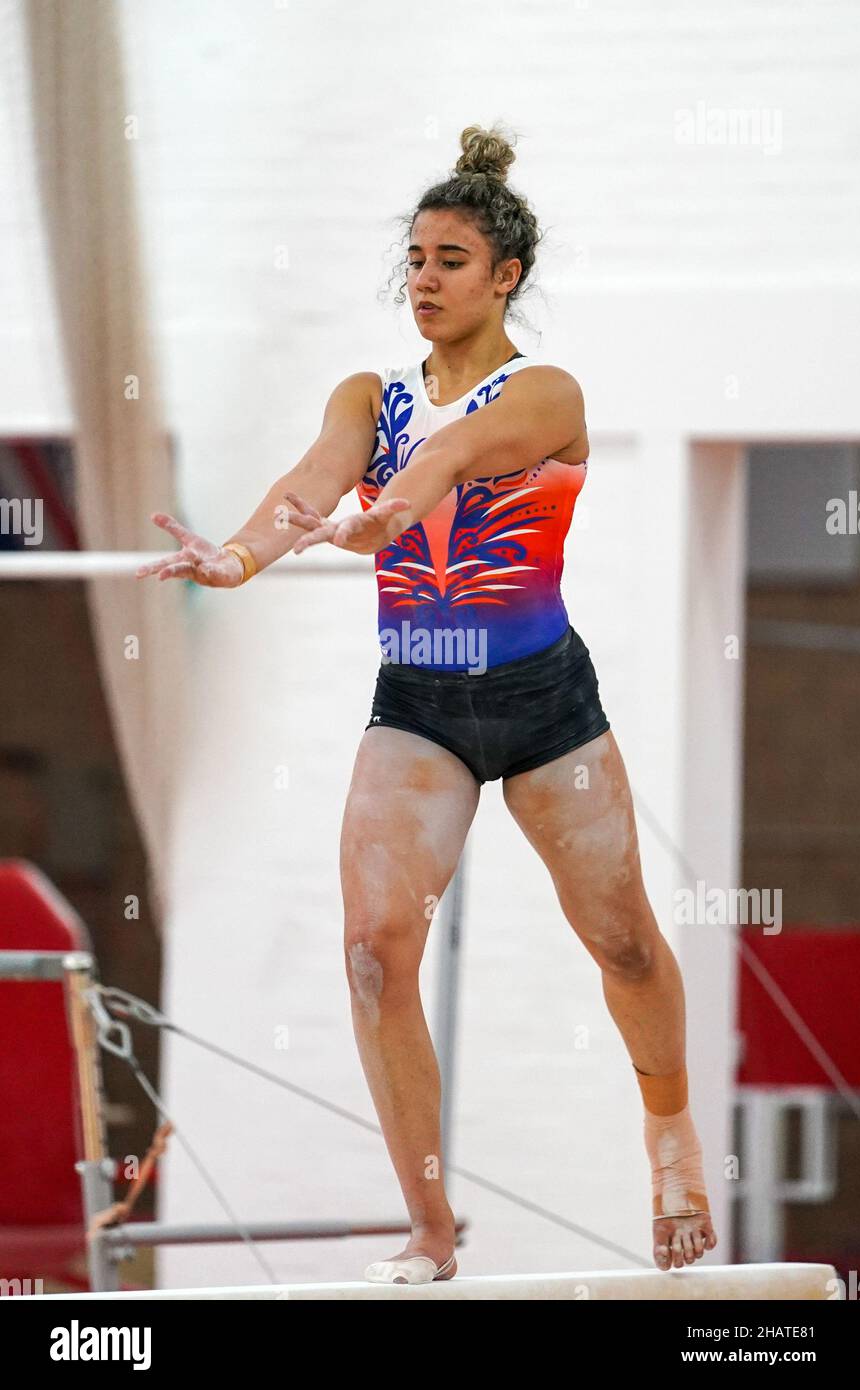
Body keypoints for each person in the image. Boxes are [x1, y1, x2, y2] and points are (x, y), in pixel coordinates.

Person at [138, 123, 717, 1285]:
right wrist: (241, 559)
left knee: (623, 944)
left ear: (504, 275)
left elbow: (450, 458)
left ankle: (668, 1134)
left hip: (545, 700)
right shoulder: (367, 390)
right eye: (412, 259)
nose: (423, 281)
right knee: (368, 951)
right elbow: (308, 482)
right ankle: (429, 1224)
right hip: (419, 705)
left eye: (450, 260)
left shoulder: (546, 391)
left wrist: (383, 516)